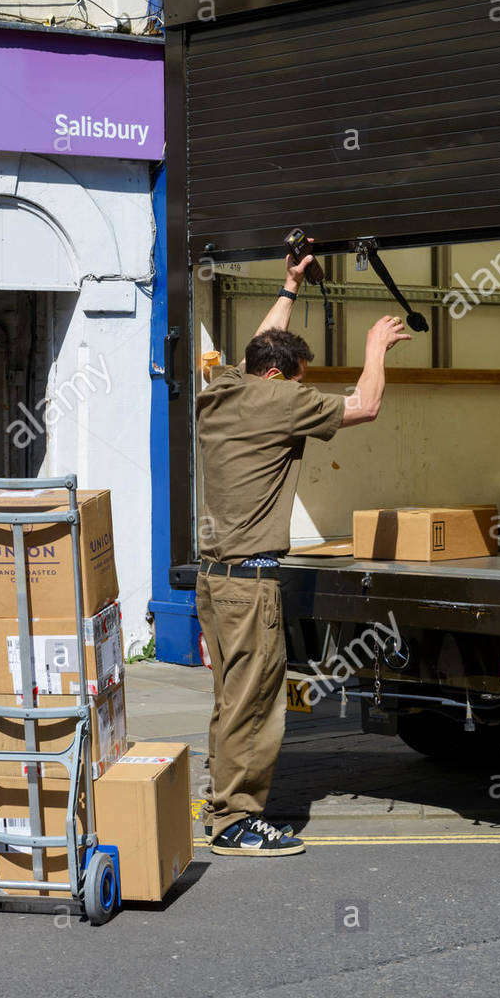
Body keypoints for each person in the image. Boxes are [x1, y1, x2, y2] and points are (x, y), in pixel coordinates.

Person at [196, 246, 411, 857]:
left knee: (230, 699)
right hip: (249, 583)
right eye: (298, 377)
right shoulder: (278, 399)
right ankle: (236, 821)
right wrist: (374, 348)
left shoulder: (224, 389)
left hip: (214, 580)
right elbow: (365, 406)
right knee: (257, 702)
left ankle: (223, 803)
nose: (303, 388)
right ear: (277, 378)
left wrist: (290, 286)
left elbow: (263, 343)